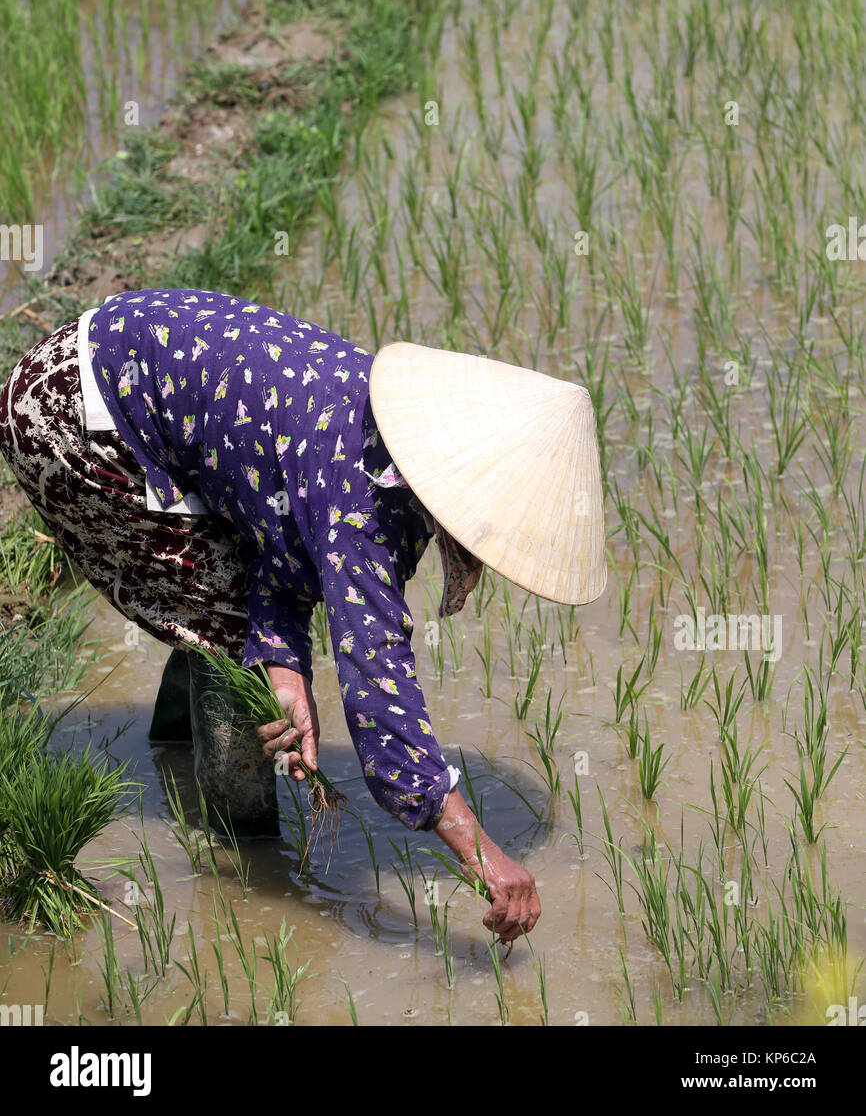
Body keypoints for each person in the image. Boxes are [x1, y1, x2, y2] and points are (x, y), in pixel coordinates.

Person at [0, 287, 606, 944]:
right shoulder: (361, 502)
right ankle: (243, 850)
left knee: (228, 591)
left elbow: (279, 530)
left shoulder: (384, 439)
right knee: (226, 625)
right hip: (74, 414)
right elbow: (379, 690)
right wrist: (479, 850)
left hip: (101, 360)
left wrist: (284, 659)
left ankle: (175, 741)